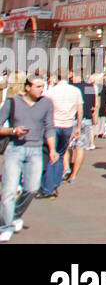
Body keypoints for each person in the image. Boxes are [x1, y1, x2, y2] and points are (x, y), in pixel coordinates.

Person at [0, 75, 57, 241]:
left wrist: (52, 149)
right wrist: (13, 131)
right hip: (14, 149)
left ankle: (15, 214)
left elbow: (50, 127)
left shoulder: (46, 103)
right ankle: (6, 226)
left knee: (32, 188)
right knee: (9, 190)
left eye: (42, 87)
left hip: (35, 150)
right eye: (38, 87)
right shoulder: (12, 103)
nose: (41, 90)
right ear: (27, 87)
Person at [40, 72, 83, 197]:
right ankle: (56, 183)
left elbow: (44, 108)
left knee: (51, 154)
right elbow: (80, 110)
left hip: (53, 125)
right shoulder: (75, 91)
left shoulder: (51, 91)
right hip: (68, 125)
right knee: (60, 154)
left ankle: (47, 187)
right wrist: (78, 126)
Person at [67, 72, 97, 183]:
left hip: (72, 118)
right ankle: (74, 175)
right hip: (86, 119)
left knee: (68, 147)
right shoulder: (90, 87)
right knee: (80, 148)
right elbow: (93, 104)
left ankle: (67, 168)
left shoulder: (71, 87)